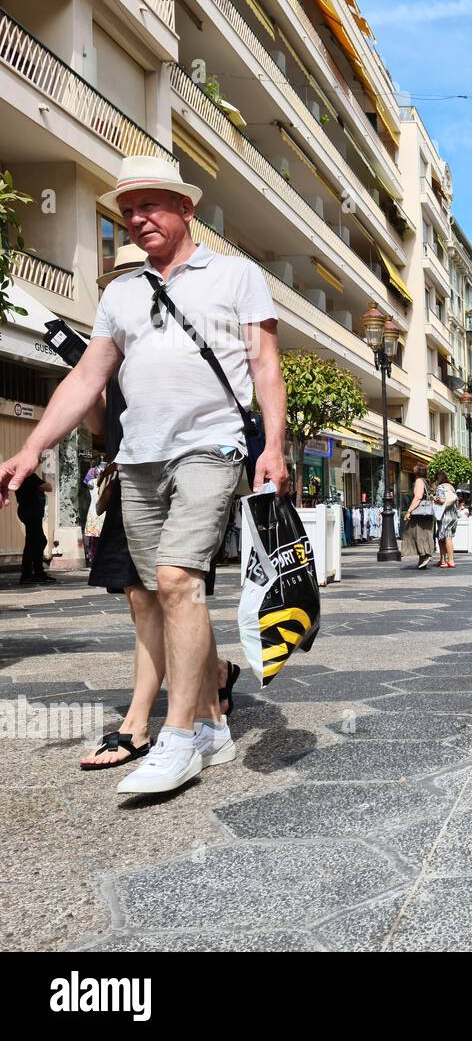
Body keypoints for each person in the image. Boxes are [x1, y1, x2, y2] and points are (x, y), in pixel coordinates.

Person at [0, 154, 288, 795]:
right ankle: (213, 722)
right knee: (156, 594)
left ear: (186, 208)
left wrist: (274, 445)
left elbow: (266, 365)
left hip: (211, 447)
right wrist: (34, 450)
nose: (136, 219)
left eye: (150, 206)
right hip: (138, 458)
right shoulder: (120, 292)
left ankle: (178, 737)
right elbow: (87, 377)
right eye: (127, 210)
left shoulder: (235, 275)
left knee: (177, 579)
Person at [78, 245, 237, 772]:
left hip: (187, 469)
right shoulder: (115, 347)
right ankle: (210, 693)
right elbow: (100, 427)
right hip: (131, 474)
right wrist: (94, 385)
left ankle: (148, 723)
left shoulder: (180, 349)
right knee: (150, 597)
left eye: (138, 277)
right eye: (122, 281)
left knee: (168, 590)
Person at [15, 469, 54, 583]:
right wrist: (40, 486)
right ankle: (29, 574)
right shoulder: (29, 475)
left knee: (37, 541)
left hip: (28, 511)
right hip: (31, 512)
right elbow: (48, 487)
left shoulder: (22, 475)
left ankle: (37, 572)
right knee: (34, 542)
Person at [403, 473, 435, 568]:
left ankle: (426, 555)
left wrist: (409, 511)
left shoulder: (419, 481)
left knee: (415, 533)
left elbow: (418, 497)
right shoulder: (426, 481)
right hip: (426, 514)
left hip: (420, 513)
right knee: (424, 535)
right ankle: (422, 561)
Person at [430, 471, 458, 568]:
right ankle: (443, 560)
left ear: (438, 479)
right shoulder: (451, 486)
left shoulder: (441, 487)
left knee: (446, 537)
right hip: (453, 515)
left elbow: (442, 500)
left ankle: (450, 561)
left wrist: (434, 498)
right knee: (443, 537)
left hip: (444, 514)